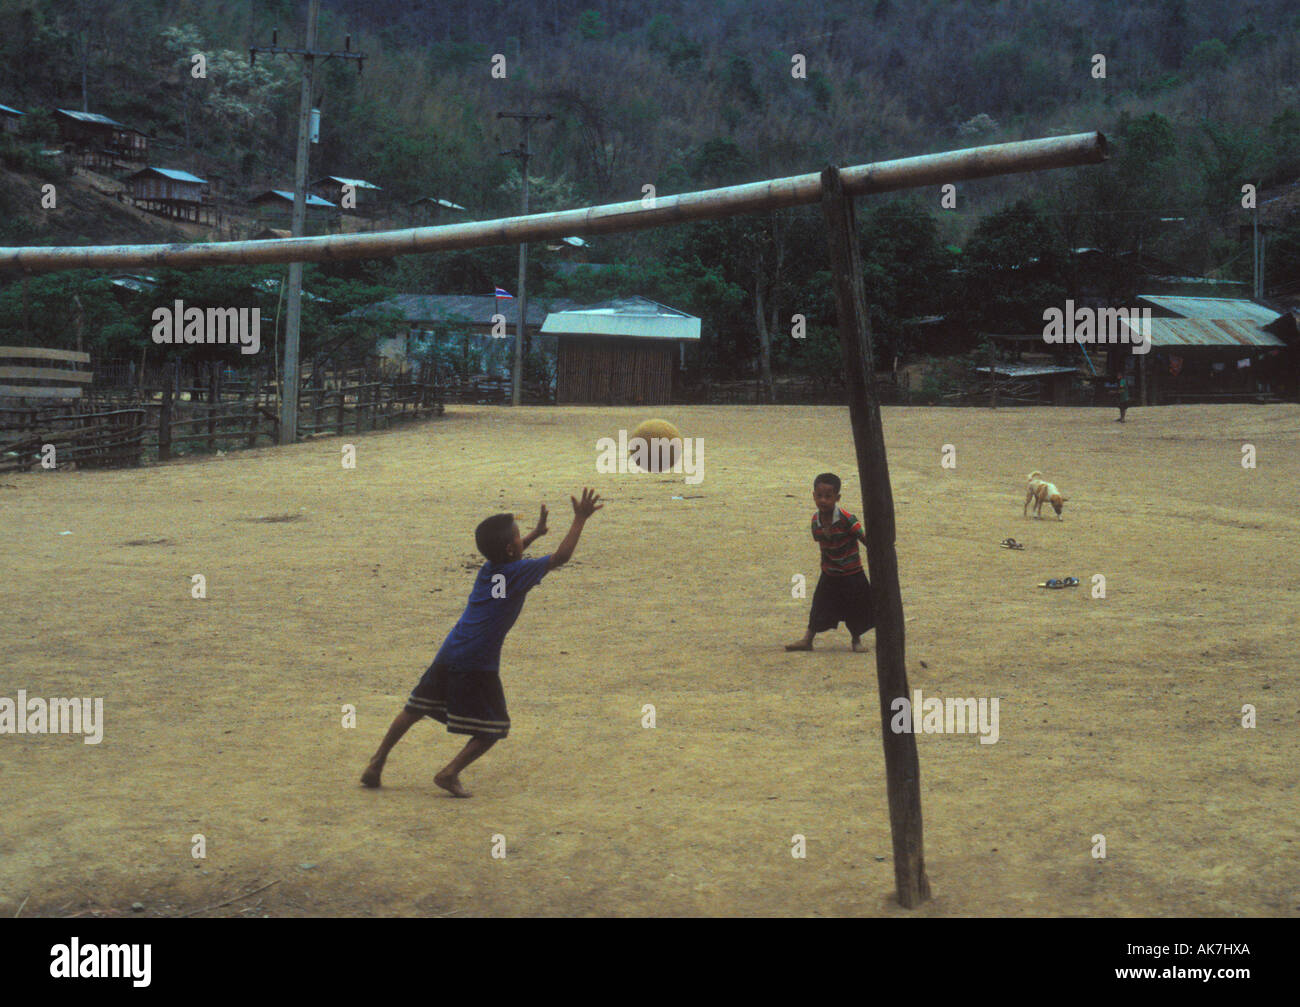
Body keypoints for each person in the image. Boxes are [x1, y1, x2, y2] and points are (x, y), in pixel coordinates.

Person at [361, 488, 603, 797]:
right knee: (494, 728)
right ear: (511, 549)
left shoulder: (489, 570)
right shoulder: (518, 572)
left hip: (451, 650)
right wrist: (579, 519)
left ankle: (376, 762)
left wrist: (534, 534)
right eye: (519, 538)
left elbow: (509, 552)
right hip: (477, 662)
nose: (522, 542)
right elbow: (561, 557)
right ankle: (449, 773)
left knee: (415, 708)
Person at [786, 472, 875, 653]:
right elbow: (822, 545)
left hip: (852, 573)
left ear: (837, 498)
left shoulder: (847, 519)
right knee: (819, 605)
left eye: (828, 496)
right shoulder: (815, 520)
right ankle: (807, 639)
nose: (823, 500)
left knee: (855, 609)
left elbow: (865, 539)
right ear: (813, 496)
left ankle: (856, 640)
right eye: (819, 496)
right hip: (830, 573)